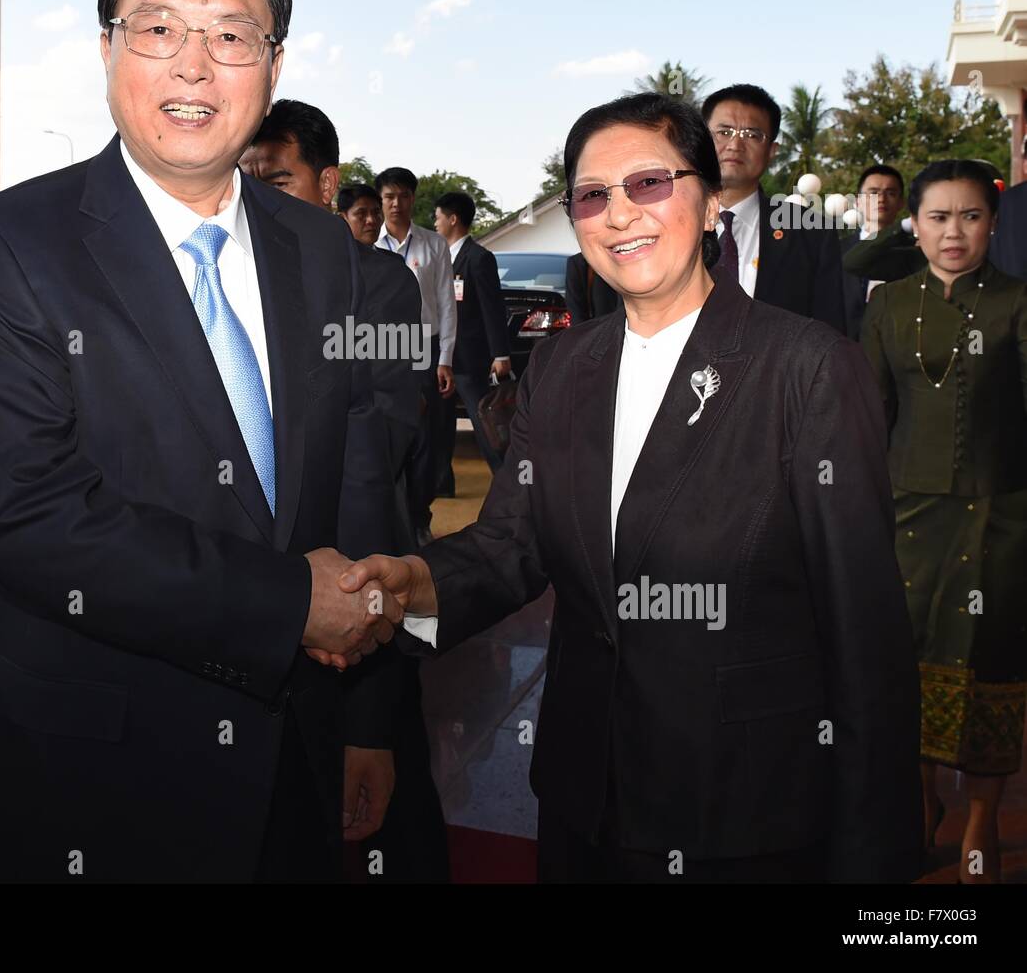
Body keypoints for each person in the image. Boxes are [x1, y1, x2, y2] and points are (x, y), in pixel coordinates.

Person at [341, 93, 922, 883]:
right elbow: (514, 541)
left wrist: (873, 863)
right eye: (591, 195)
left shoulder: (808, 370)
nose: (618, 214)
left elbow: (867, 642)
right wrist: (413, 581)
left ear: (711, 201)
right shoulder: (563, 368)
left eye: (648, 183)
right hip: (585, 796)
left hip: (742, 813)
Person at [0, 0, 405, 883]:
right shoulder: (9, 243)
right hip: (94, 771)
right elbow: (26, 515)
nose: (195, 64)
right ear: (107, 47)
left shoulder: (324, 254)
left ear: (271, 67)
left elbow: (359, 479)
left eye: (231, 35)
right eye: (158, 28)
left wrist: (368, 713)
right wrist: (288, 603)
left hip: (295, 753)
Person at [244, 104, 450, 880]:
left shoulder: (378, 284)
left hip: (357, 611)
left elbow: (369, 473)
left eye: (277, 179)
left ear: (326, 183)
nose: (256, 194)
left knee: (382, 827)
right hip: (255, 625)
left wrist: (371, 714)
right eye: (247, 178)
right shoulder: (233, 279)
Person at [859, 159, 1027, 884]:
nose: (954, 231)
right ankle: (921, 804)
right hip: (904, 522)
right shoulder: (888, 305)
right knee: (910, 668)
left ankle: (982, 820)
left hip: (1002, 521)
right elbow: (868, 420)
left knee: (992, 669)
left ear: (991, 223)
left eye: (970, 216)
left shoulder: (1020, 302)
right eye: (937, 216)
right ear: (914, 225)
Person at [701, 84, 847, 332]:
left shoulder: (812, 233)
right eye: (724, 132)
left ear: (772, 151)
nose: (736, 144)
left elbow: (829, 333)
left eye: (752, 135)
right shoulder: (664, 221)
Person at [375, 167, 456, 545]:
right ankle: (390, 518)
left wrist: (446, 358)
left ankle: (420, 517)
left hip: (424, 346)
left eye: (403, 195)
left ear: (413, 199)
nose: (395, 203)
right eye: (389, 196)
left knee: (425, 438)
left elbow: (445, 302)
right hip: (380, 346)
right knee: (386, 434)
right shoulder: (367, 242)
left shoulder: (433, 245)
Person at [432, 191, 512, 483]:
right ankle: (442, 484)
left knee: (485, 424)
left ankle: (506, 484)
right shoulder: (441, 258)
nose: (435, 223)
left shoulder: (478, 258)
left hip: (469, 359)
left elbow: (492, 308)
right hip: (442, 358)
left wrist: (500, 354)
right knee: (440, 426)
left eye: (438, 217)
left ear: (453, 219)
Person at [842, 165, 905, 340]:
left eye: (891, 193)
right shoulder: (836, 251)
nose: (881, 199)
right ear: (858, 202)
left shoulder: (914, 252)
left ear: (902, 203)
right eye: (873, 193)